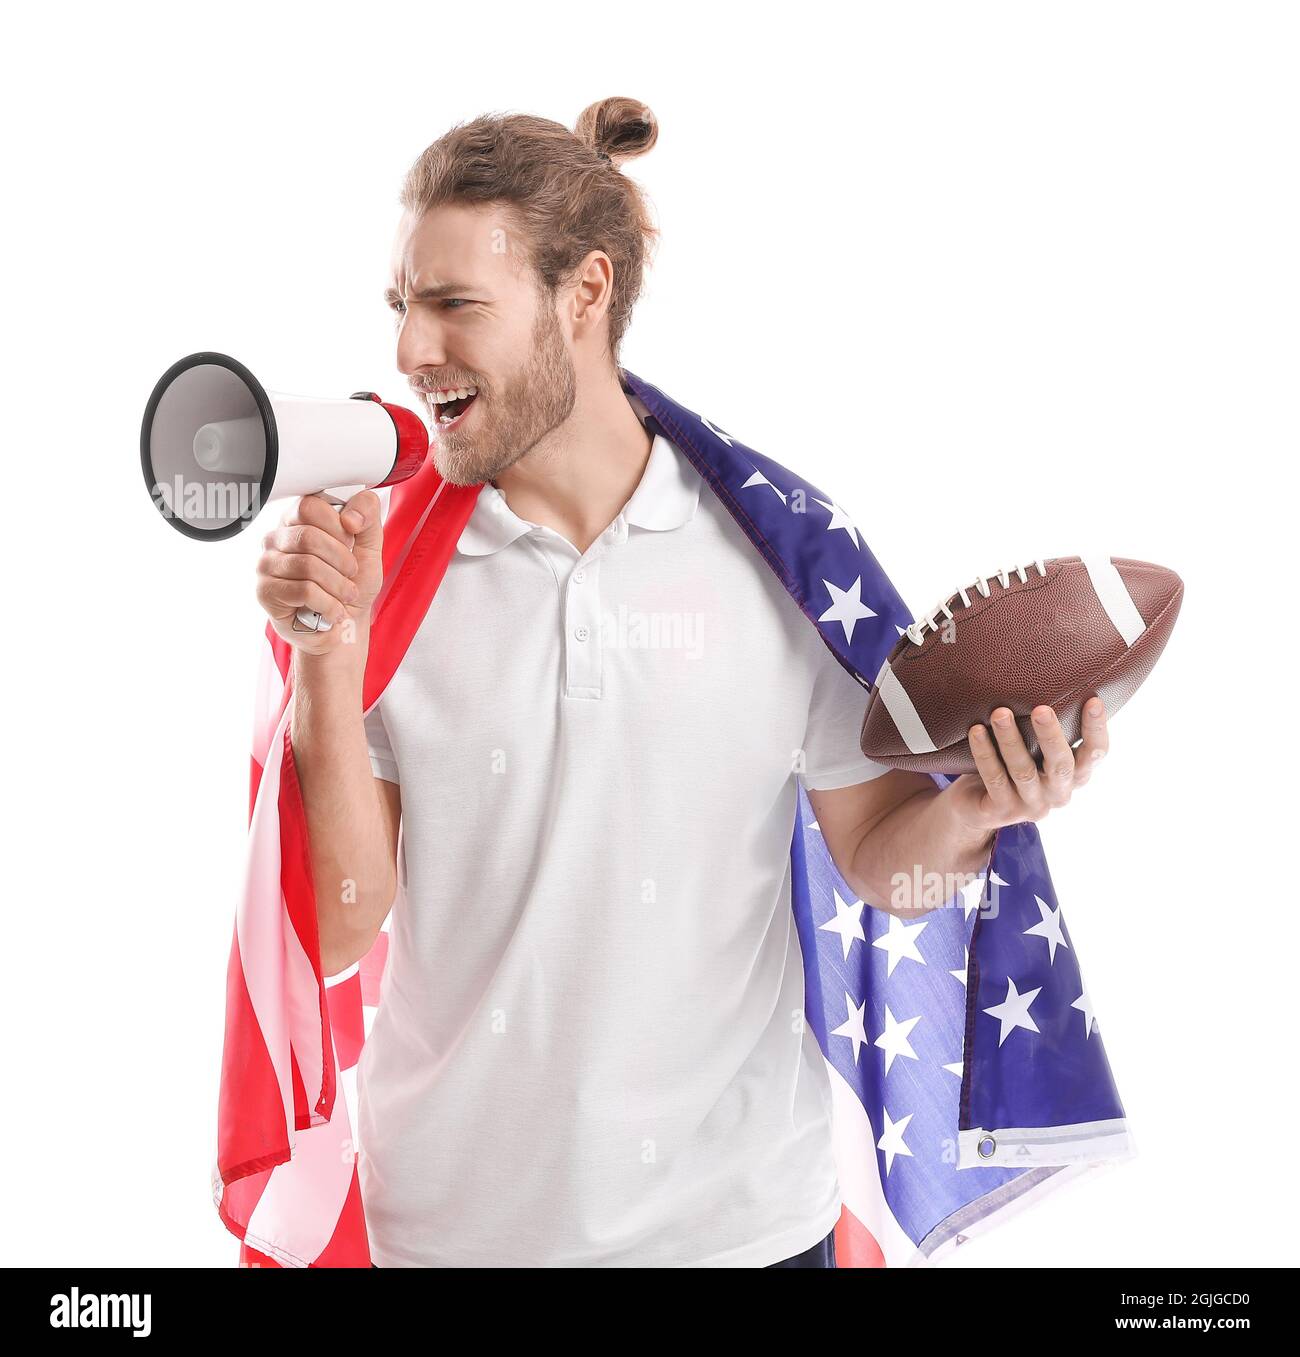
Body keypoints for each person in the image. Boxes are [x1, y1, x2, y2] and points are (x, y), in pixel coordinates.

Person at [252, 97, 1110, 1268]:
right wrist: (327, 660)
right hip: (450, 1238)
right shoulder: (391, 574)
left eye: (453, 304)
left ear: (583, 293)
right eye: (404, 305)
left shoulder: (782, 559)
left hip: (743, 1233)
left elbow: (876, 860)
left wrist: (975, 812)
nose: (409, 350)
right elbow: (340, 930)